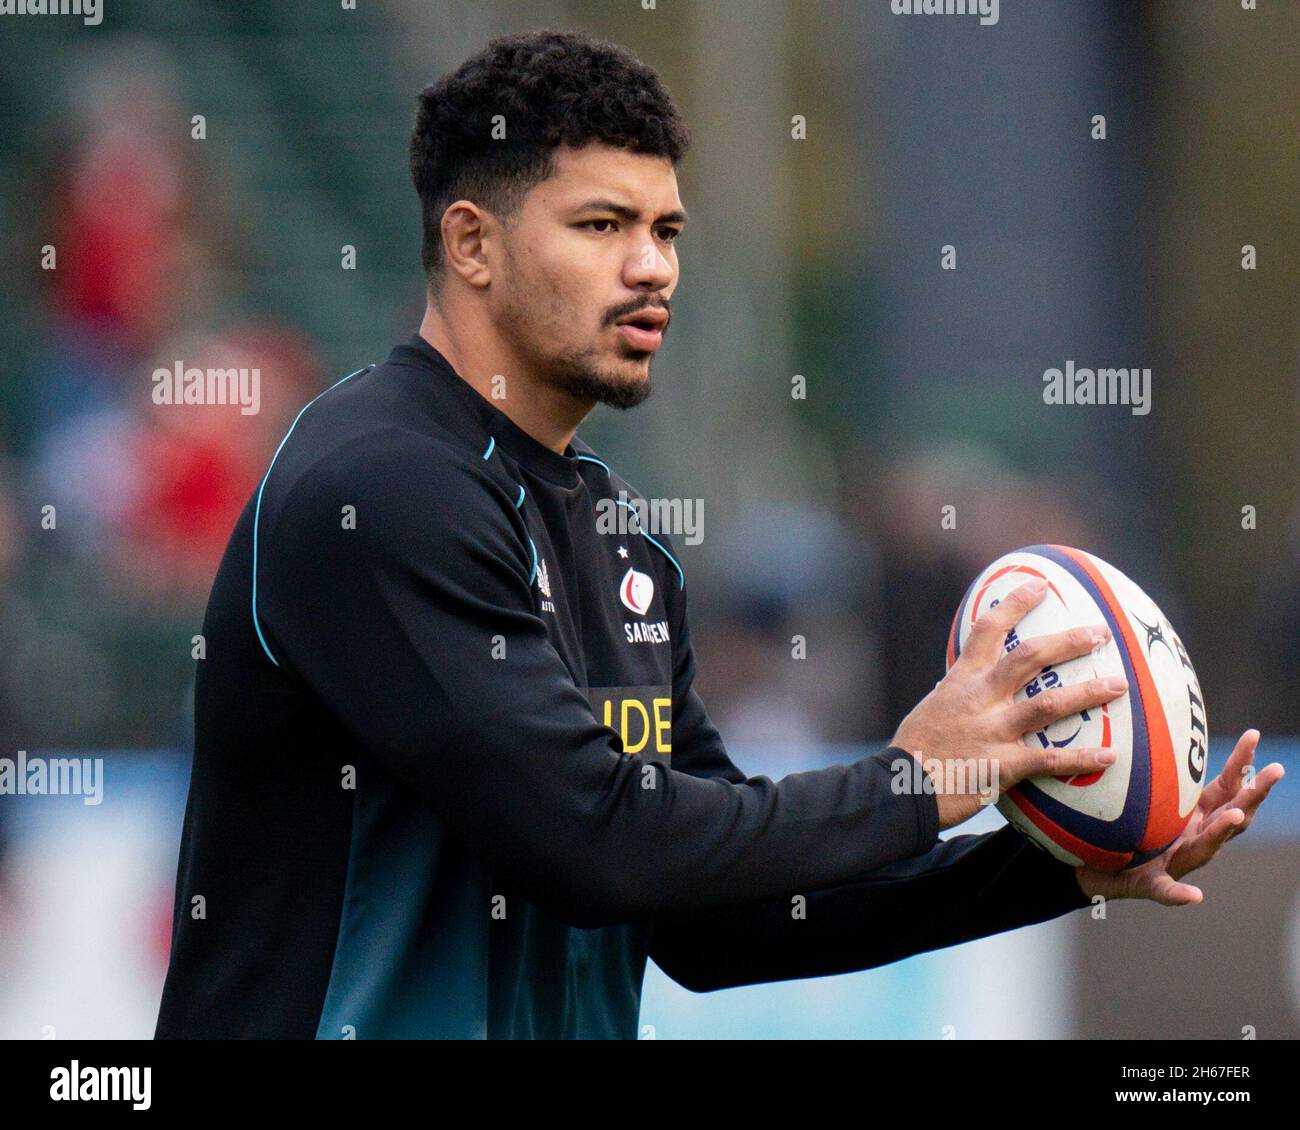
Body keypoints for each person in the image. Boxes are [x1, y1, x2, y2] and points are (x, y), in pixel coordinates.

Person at [154, 29, 1282, 1040]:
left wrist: (1067, 865)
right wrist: (913, 777)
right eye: (601, 224)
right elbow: (594, 839)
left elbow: (715, 924)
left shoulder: (619, 538)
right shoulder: (379, 485)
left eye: (666, 228)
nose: (652, 265)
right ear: (471, 243)